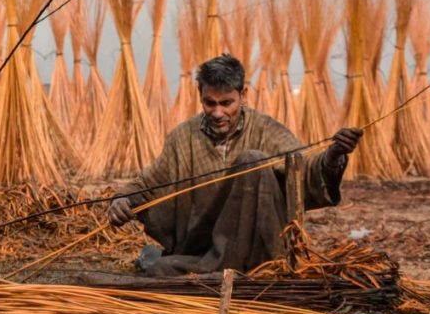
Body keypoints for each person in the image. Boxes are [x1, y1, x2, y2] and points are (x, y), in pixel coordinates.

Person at [108, 53, 361, 277]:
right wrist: (122, 200)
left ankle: (236, 273)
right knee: (161, 269)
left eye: (226, 103)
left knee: (251, 160)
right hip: (204, 253)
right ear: (200, 96)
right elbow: (147, 184)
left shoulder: (266, 131)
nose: (217, 113)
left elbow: (304, 169)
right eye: (210, 103)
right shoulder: (183, 138)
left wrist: (333, 155)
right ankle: (217, 271)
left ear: (243, 96)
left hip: (261, 256)